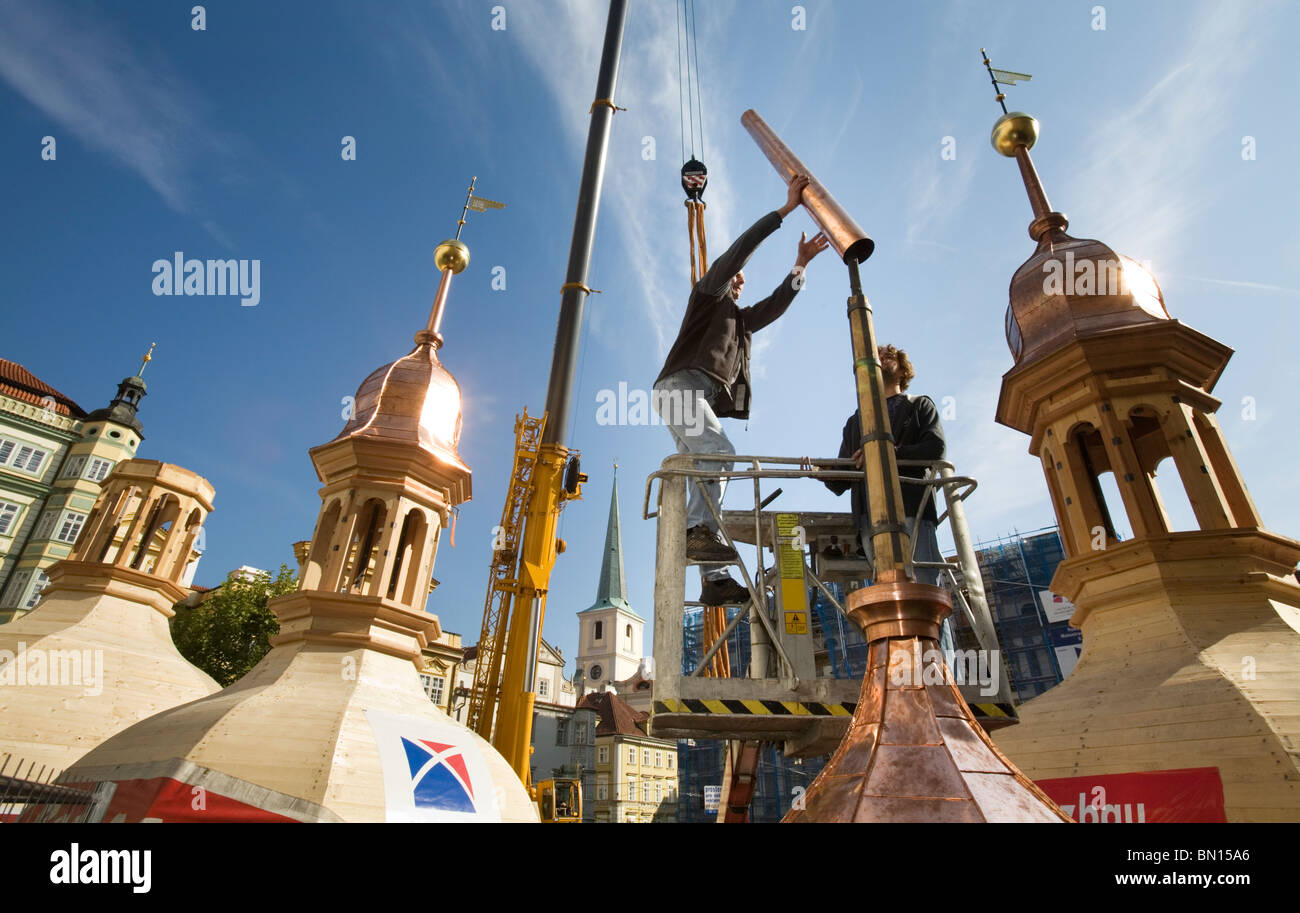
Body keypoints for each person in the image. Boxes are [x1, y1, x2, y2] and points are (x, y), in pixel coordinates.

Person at [654, 174, 830, 606]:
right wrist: (785, 212)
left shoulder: (740, 322)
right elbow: (738, 251)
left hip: (697, 396)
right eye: (737, 277)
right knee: (721, 455)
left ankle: (712, 578)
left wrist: (800, 265)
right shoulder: (707, 296)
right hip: (679, 388)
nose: (740, 282)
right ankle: (693, 533)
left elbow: (773, 305)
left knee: (709, 470)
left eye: (741, 281)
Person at [823, 344, 954, 653]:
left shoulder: (918, 405)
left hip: (913, 508)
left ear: (903, 368)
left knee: (925, 588)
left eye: (888, 355)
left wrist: (890, 453)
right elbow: (840, 481)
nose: (881, 360)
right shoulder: (856, 422)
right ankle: (905, 669)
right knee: (889, 590)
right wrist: (821, 470)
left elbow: (934, 450)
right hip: (872, 518)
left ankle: (943, 670)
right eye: (876, 357)